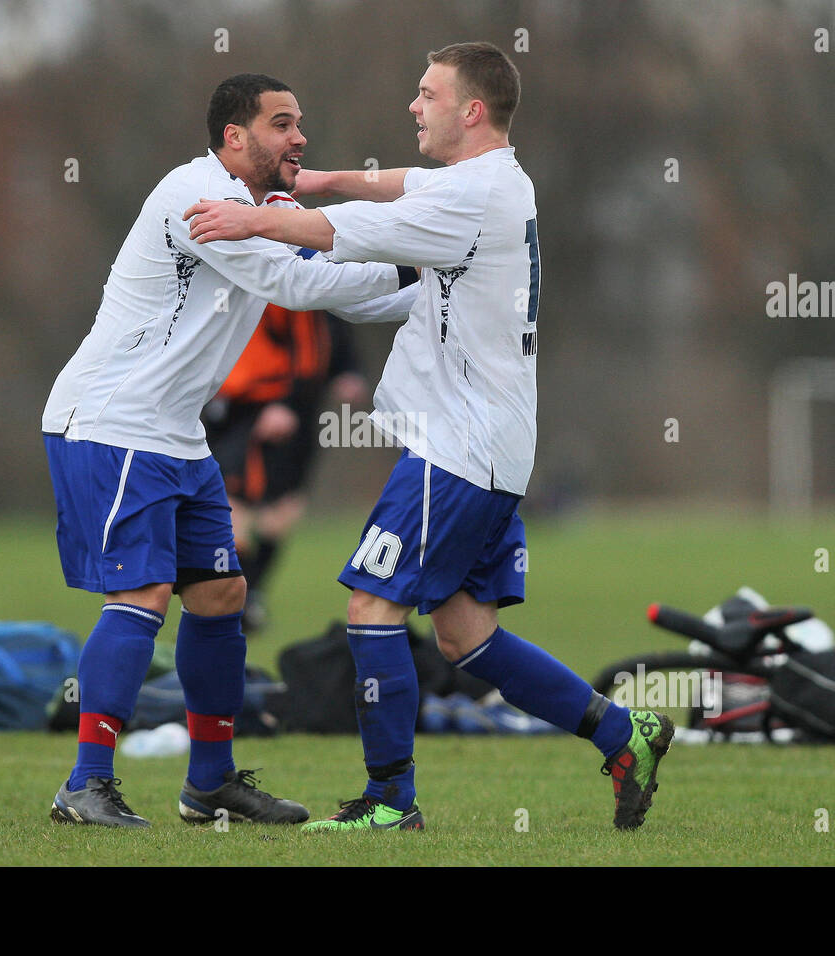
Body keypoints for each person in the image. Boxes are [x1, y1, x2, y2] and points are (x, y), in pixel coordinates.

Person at [185, 42, 674, 831]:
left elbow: (357, 231)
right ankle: (625, 733)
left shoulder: (471, 199)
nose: (414, 106)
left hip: (460, 448)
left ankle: (389, 801)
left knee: (372, 609)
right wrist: (322, 178)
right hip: (490, 447)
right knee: (464, 634)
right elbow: (393, 184)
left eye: (427, 93)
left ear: (470, 110)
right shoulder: (491, 181)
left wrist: (257, 217)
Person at [41, 73, 417, 828]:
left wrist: (445, 285)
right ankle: (85, 784)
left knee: (221, 596)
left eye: (300, 122)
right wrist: (421, 258)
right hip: (112, 424)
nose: (300, 138)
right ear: (234, 138)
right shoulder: (196, 198)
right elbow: (298, 280)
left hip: (175, 435)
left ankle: (209, 782)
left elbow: (335, 288)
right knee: (141, 597)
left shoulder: (256, 209)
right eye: (282, 124)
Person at [203, 296, 369, 632]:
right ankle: (237, 597)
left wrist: (290, 401)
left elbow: (322, 325)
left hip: (272, 405)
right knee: (231, 497)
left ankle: (246, 594)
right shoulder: (215, 269)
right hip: (225, 403)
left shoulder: (290, 270)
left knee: (281, 508)